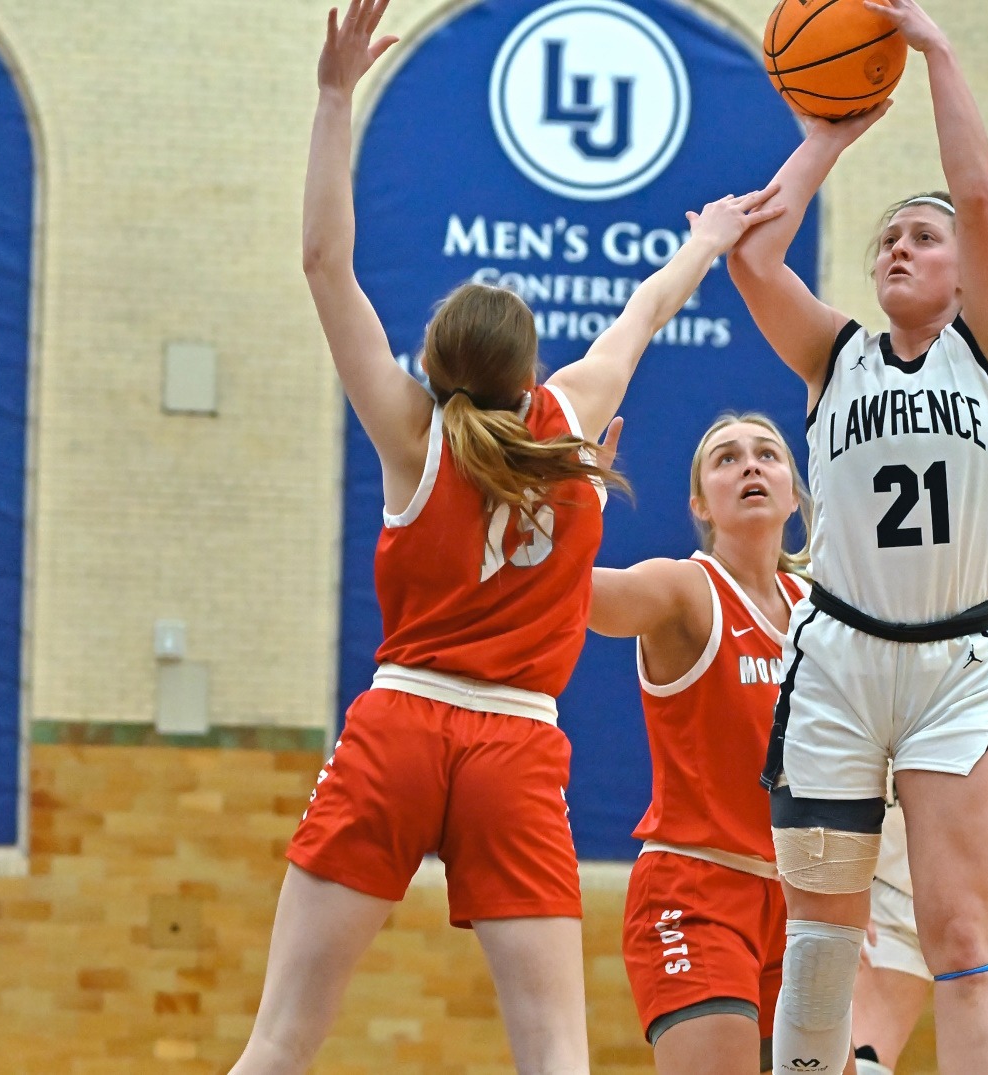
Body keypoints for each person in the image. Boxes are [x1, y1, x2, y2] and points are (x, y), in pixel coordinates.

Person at [230, 4, 785, 1072]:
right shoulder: (572, 418)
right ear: (528, 368)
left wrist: (335, 97)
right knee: (553, 1056)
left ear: (436, 362)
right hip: (516, 746)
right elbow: (647, 307)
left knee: (283, 1038)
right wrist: (707, 240)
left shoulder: (411, 431)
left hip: (401, 727)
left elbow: (323, 264)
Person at [589, 414, 988, 1075]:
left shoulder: (825, 609)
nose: (749, 465)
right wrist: (576, 501)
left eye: (767, 454)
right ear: (698, 501)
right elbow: (578, 596)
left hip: (802, 899)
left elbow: (939, 654)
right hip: (698, 889)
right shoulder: (685, 588)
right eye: (726, 458)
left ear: (795, 492)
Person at [728, 0, 988, 1070]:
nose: (900, 248)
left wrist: (938, 51)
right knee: (822, 939)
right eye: (888, 239)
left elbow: (984, 198)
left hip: (953, 665)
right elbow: (756, 262)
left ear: (961, 270)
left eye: (923, 236)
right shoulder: (836, 358)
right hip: (843, 658)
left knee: (962, 934)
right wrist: (830, 131)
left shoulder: (987, 352)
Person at [851, 685, 988, 1075]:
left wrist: (985, 896)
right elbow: (829, 801)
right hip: (891, 909)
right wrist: (847, 892)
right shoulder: (878, 691)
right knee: (861, 1063)